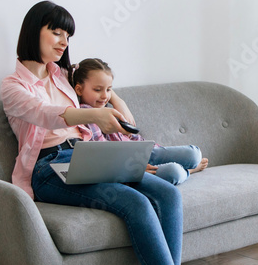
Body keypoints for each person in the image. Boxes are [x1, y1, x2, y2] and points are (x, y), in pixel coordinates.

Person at [0, 0, 218, 265]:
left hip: (88, 155)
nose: (62, 42)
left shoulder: (62, 76)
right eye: (55, 32)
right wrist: (91, 117)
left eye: (67, 36)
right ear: (32, 32)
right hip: (49, 168)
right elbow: (46, 115)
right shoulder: (13, 86)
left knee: (167, 193)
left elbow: (101, 91)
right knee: (136, 203)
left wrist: (106, 113)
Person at [71, 58, 209, 185]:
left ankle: (187, 168)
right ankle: (189, 171)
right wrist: (134, 169)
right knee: (173, 172)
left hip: (143, 151)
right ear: (79, 89)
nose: (105, 96)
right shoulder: (85, 114)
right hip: (125, 165)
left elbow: (132, 136)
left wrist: (117, 101)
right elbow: (103, 154)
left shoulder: (109, 109)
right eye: (97, 90)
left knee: (194, 153)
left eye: (109, 90)